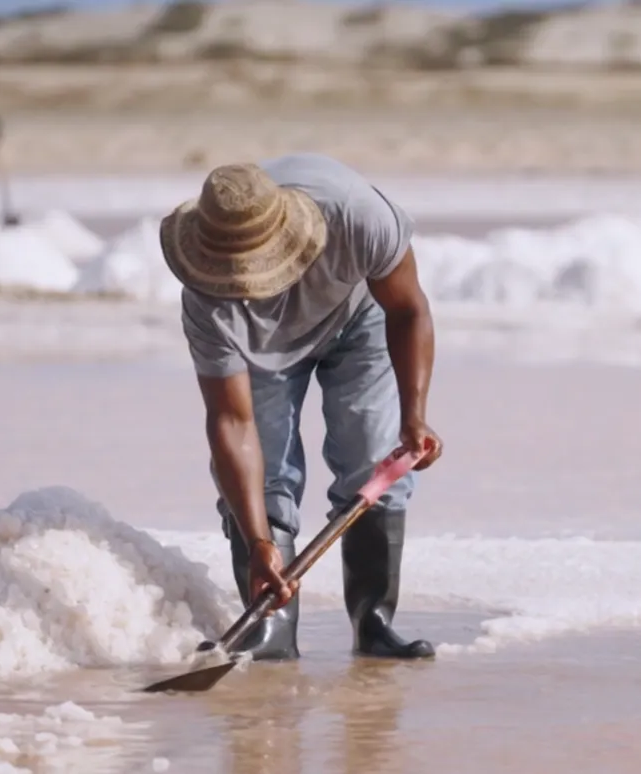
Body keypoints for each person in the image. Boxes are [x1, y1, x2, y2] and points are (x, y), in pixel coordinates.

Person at [158, 153, 445, 662]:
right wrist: (259, 539)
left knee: (371, 455)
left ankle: (374, 623)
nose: (247, 283)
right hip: (261, 349)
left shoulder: (357, 216)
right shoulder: (206, 298)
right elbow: (231, 421)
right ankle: (270, 630)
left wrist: (414, 414)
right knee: (265, 475)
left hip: (360, 322)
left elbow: (408, 308)